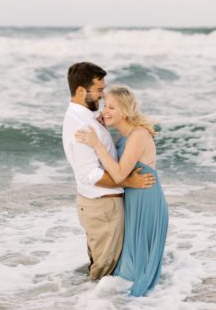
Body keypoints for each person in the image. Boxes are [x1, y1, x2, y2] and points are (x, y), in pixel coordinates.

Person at [61, 62, 155, 280]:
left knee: (102, 266)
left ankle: (92, 307)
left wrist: (102, 123)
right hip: (103, 208)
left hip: (101, 207)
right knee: (104, 271)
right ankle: (92, 309)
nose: (102, 96)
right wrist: (128, 182)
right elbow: (90, 175)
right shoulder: (81, 125)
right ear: (82, 91)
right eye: (99, 90)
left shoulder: (86, 118)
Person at [75, 85, 169, 296]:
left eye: (111, 107)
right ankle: (121, 305)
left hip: (146, 200)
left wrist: (96, 143)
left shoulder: (138, 134)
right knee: (131, 258)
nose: (104, 111)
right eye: (104, 106)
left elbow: (118, 175)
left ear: (125, 110)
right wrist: (103, 130)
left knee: (137, 268)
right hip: (134, 199)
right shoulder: (125, 136)